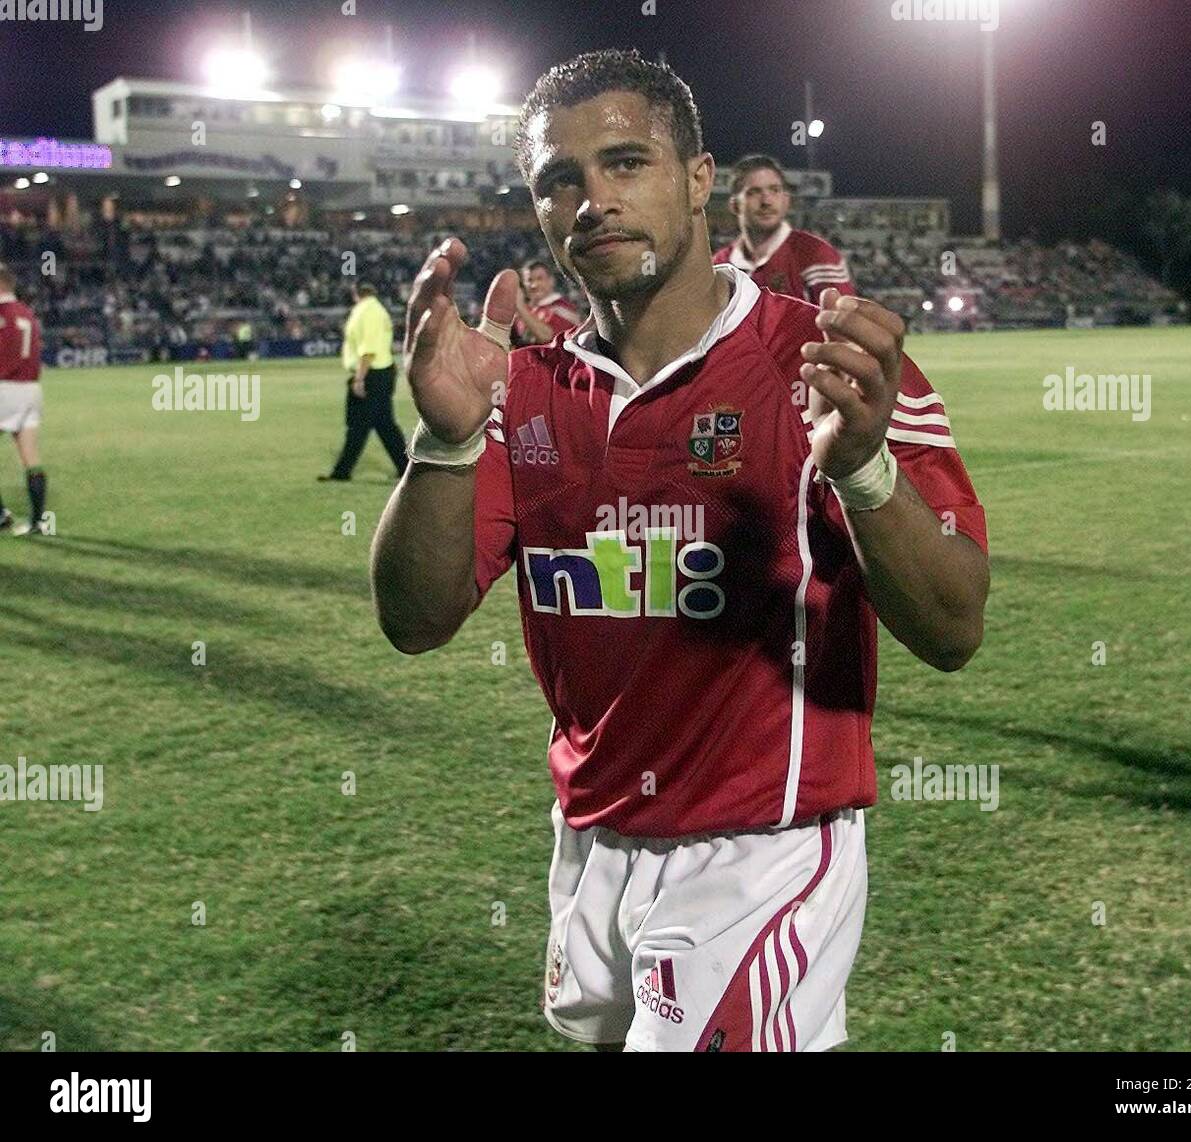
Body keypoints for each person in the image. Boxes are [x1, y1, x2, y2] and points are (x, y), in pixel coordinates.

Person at [371, 49, 989, 1052]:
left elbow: (955, 624)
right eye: (558, 179)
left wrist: (864, 469)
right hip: (592, 839)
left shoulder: (824, 363)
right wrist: (444, 444)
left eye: (625, 163)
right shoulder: (526, 391)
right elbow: (414, 617)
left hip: (763, 853)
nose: (591, 201)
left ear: (697, 180)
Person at [713, 153, 855, 302]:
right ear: (734, 205)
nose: (766, 201)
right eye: (754, 192)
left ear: (786, 200)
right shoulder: (719, 265)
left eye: (774, 190)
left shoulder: (816, 255)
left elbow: (844, 323)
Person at [319, 283, 407, 482]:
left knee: (359, 426)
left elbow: (368, 349)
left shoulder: (368, 312)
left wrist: (359, 378)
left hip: (372, 373)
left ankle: (342, 472)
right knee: (383, 425)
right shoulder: (375, 310)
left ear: (355, 293)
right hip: (379, 372)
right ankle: (406, 469)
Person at [0, 262, 48, 536]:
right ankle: (38, 522)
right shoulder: (27, 313)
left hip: (3, 387)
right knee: (30, 456)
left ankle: (1, 515)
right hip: (30, 390)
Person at [512, 259, 583, 346]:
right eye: (529, 280)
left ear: (551, 281)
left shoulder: (562, 308)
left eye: (540, 279)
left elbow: (547, 337)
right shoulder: (525, 311)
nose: (534, 285)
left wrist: (521, 308)